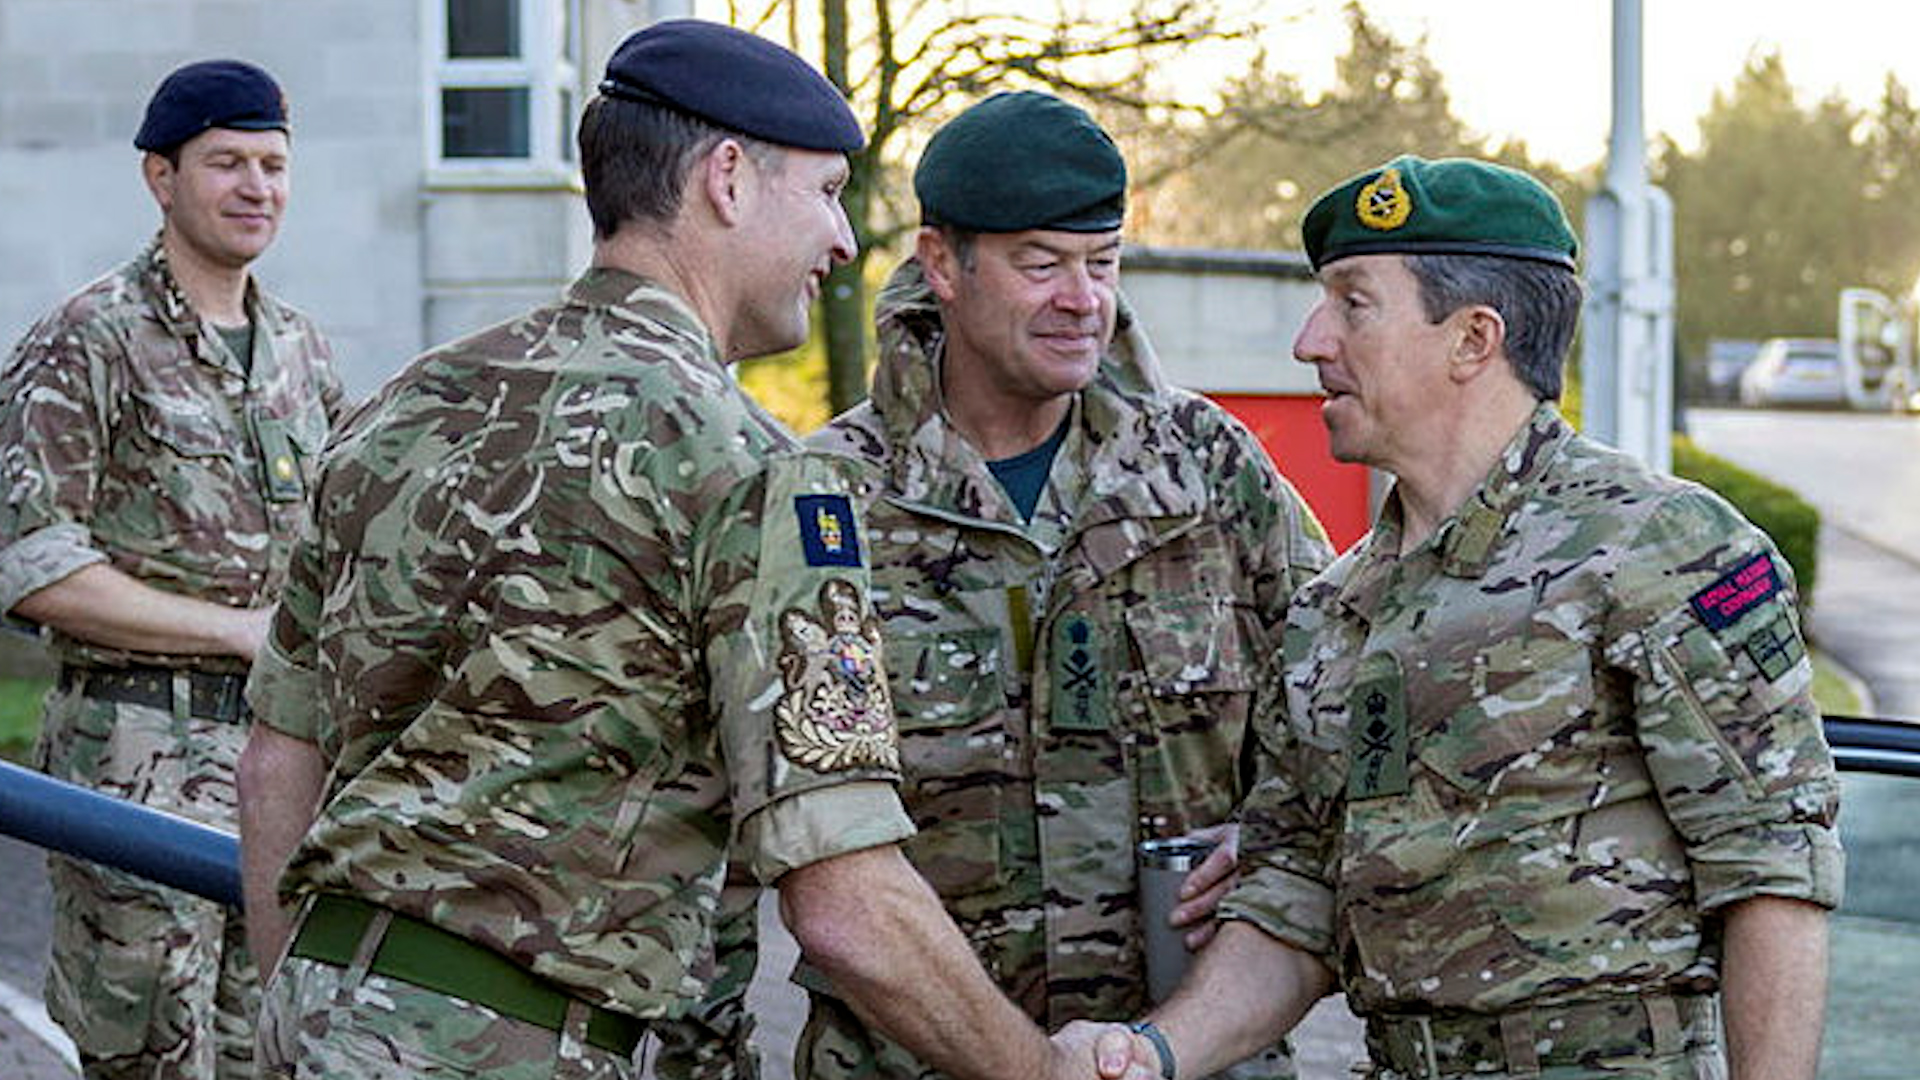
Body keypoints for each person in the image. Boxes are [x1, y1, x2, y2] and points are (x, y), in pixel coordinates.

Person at [235, 23, 1127, 1080]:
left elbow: (274, 762)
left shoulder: (406, 410)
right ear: (730, 179)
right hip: (518, 1046)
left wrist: (323, 1003)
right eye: (828, 192)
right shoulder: (753, 472)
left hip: (314, 1012)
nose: (842, 244)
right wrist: (1037, 1069)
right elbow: (844, 897)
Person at [1080, 155, 1845, 1080]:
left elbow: (1770, 874)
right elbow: (1294, 902)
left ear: (1473, 340)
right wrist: (1150, 1055)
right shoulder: (1331, 612)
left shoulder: (1663, 549)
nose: (1311, 340)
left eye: (1353, 304)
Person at [765, 90, 1328, 1080]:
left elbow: (1338, 690)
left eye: (1102, 263)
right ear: (942, 263)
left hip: (1188, 1059)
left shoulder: (1204, 469)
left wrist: (1272, 829)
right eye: (1042, 265)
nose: (1084, 300)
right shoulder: (828, 500)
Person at [0, 59, 342, 1080]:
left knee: (273, 1051)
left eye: (274, 166)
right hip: (135, 766)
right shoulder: (88, 340)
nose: (256, 188)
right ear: (162, 177)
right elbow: (28, 562)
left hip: (281, 768)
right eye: (227, 163)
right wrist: (234, 629)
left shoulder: (299, 351)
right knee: (148, 1057)